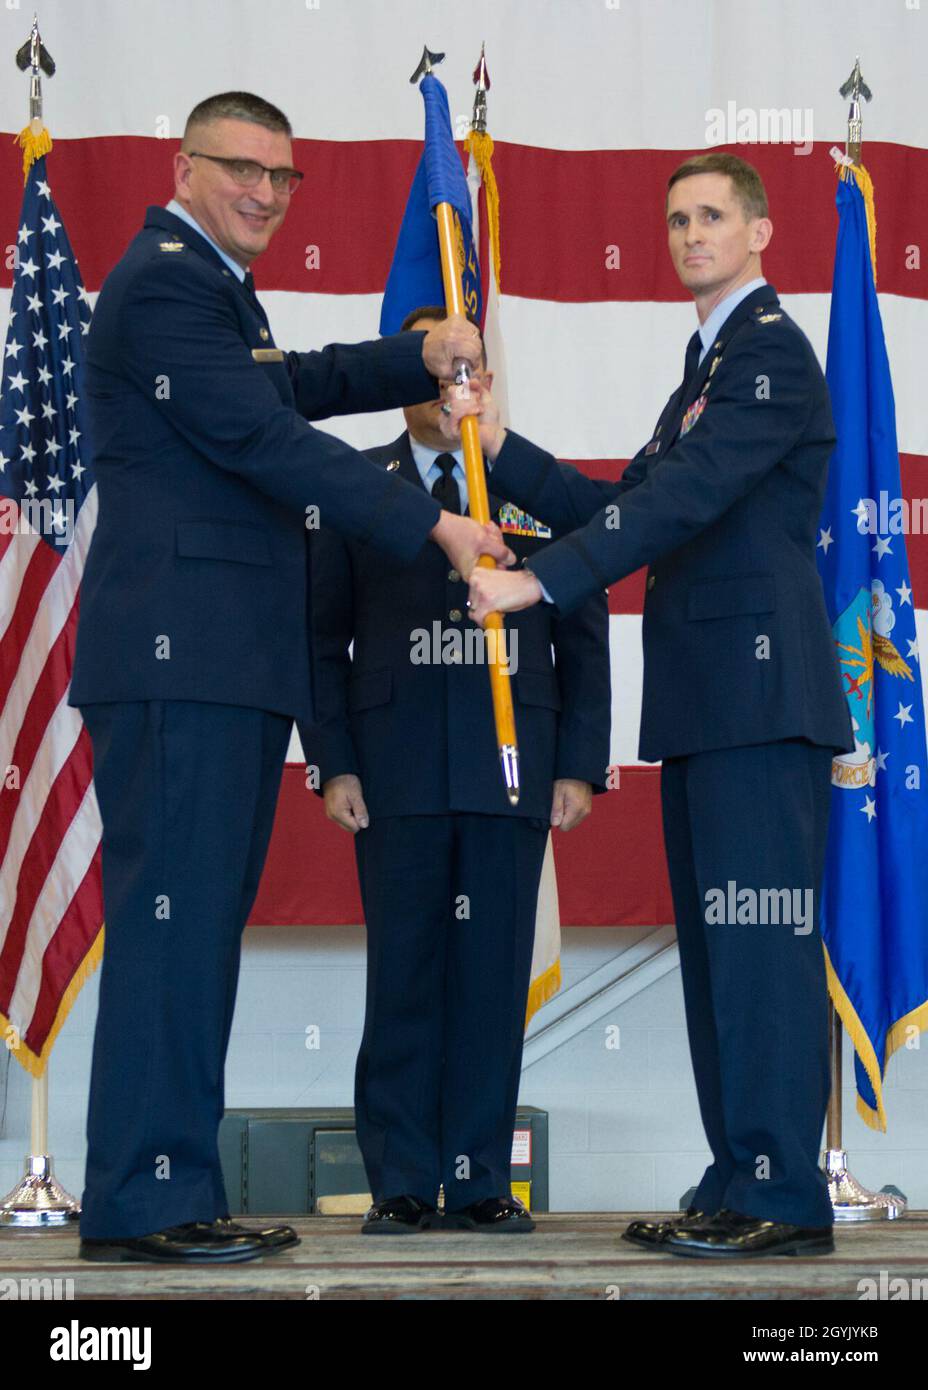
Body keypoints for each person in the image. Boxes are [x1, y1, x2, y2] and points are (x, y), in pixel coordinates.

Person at [70, 91, 511, 1265]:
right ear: (184, 163)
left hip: (214, 664)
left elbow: (290, 382)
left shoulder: (209, 284)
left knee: (196, 929)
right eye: (241, 168)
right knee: (175, 930)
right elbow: (266, 439)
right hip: (182, 660)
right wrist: (435, 530)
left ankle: (166, 1188)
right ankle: (148, 1199)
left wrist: (409, 355)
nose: (264, 192)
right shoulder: (166, 280)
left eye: (283, 174)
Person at [449, 153, 854, 1258]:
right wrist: (497, 451)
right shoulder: (705, 371)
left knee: (760, 956)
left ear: (762, 231)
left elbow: (676, 502)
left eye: (712, 215)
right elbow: (621, 504)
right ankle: (741, 1179)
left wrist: (538, 581)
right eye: (675, 218)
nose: (688, 234)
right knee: (724, 958)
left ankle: (779, 1196)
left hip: (761, 704)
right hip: (709, 707)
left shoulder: (768, 355)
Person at [300, 306, 611, 1234]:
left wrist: (581, 765)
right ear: (410, 376)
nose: (450, 389)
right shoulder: (356, 486)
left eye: (466, 368)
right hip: (391, 773)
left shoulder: (526, 480)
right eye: (436, 369)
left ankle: (478, 1180)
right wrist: (334, 765)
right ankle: (398, 1178)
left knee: (488, 979)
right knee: (403, 976)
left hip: (515, 767)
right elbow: (319, 641)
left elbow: (583, 625)